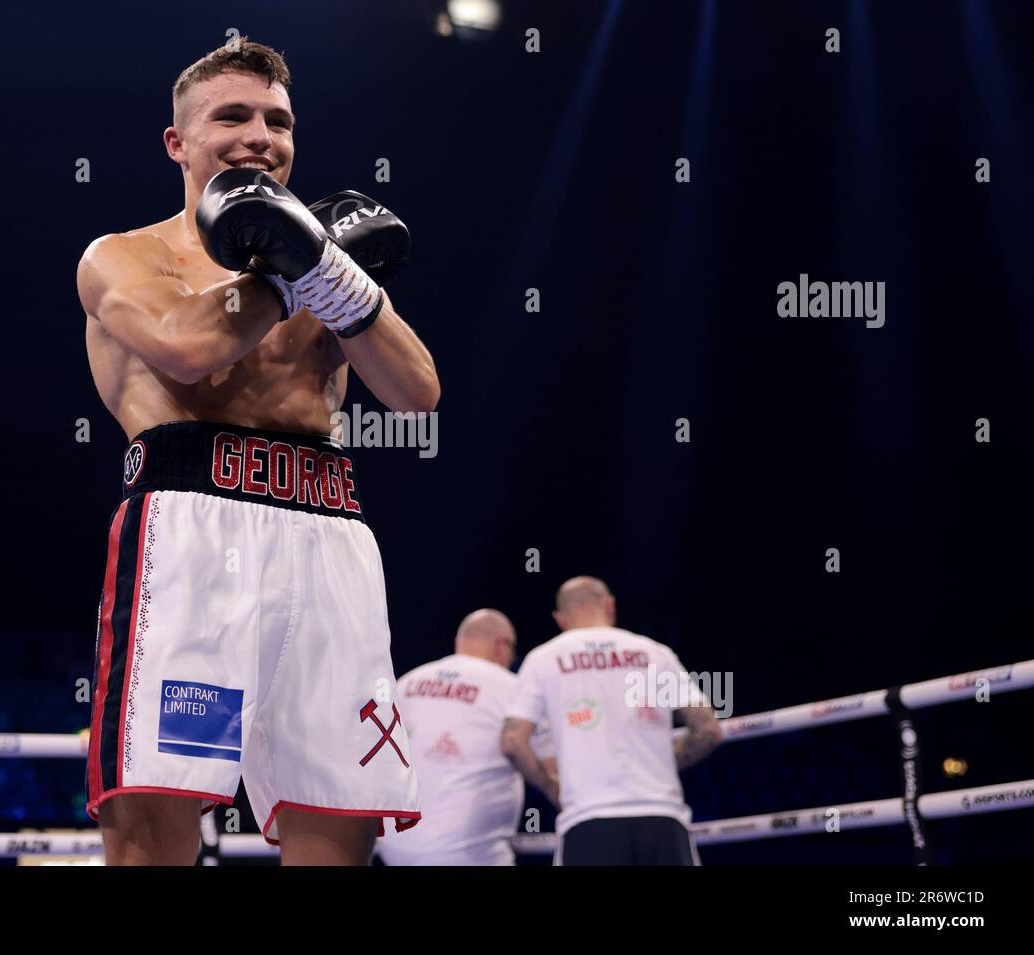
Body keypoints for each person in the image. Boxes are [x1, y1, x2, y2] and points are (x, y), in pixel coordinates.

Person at [77, 38, 439, 865]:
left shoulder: (322, 262)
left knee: (334, 817)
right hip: (190, 531)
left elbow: (417, 391)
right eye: (231, 116)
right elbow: (186, 347)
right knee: (153, 813)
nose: (258, 136)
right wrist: (295, 267)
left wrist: (322, 266)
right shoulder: (122, 255)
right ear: (178, 141)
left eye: (277, 121)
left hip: (328, 534)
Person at [502, 577, 722, 865]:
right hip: (662, 819)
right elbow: (708, 730)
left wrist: (552, 786)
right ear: (610, 605)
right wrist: (662, 762)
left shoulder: (544, 658)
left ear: (560, 619)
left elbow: (512, 742)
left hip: (589, 819)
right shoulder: (655, 652)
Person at [378, 610, 558, 866]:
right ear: (501, 644)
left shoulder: (408, 682)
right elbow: (552, 766)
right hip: (470, 852)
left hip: (393, 847)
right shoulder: (513, 688)